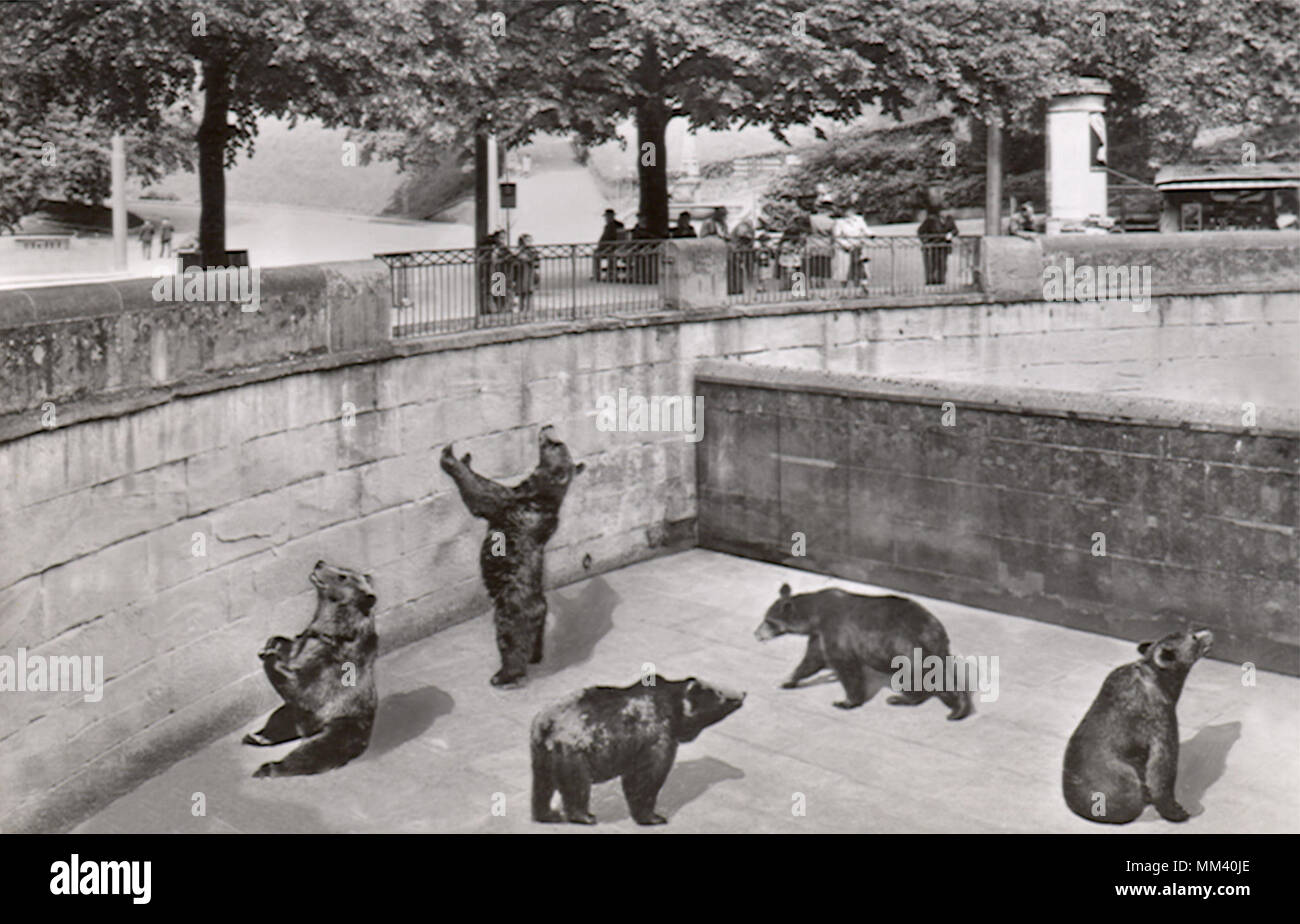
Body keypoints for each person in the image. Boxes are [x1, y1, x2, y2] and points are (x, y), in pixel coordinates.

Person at [918, 205, 958, 285]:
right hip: (932, 247)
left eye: (948, 210)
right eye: (944, 211)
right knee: (931, 264)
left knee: (942, 264)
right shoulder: (931, 220)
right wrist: (926, 241)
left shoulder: (949, 219)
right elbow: (920, 231)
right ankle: (930, 281)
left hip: (944, 246)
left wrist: (951, 234)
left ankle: (941, 281)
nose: (946, 213)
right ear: (940, 212)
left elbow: (955, 230)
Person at [595, 208, 624, 281]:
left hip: (613, 247)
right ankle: (597, 274)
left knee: (611, 255)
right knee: (596, 254)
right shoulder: (607, 226)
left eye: (608, 216)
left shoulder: (618, 226)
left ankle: (611, 274)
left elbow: (620, 238)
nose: (607, 218)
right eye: (606, 216)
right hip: (605, 247)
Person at [512, 233, 539, 312]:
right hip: (520, 275)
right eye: (526, 241)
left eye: (529, 241)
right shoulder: (519, 252)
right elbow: (515, 263)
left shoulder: (533, 252)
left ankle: (529, 310)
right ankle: (522, 310)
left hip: (529, 274)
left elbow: (537, 263)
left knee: (529, 293)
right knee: (522, 293)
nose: (528, 243)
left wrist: (528, 259)